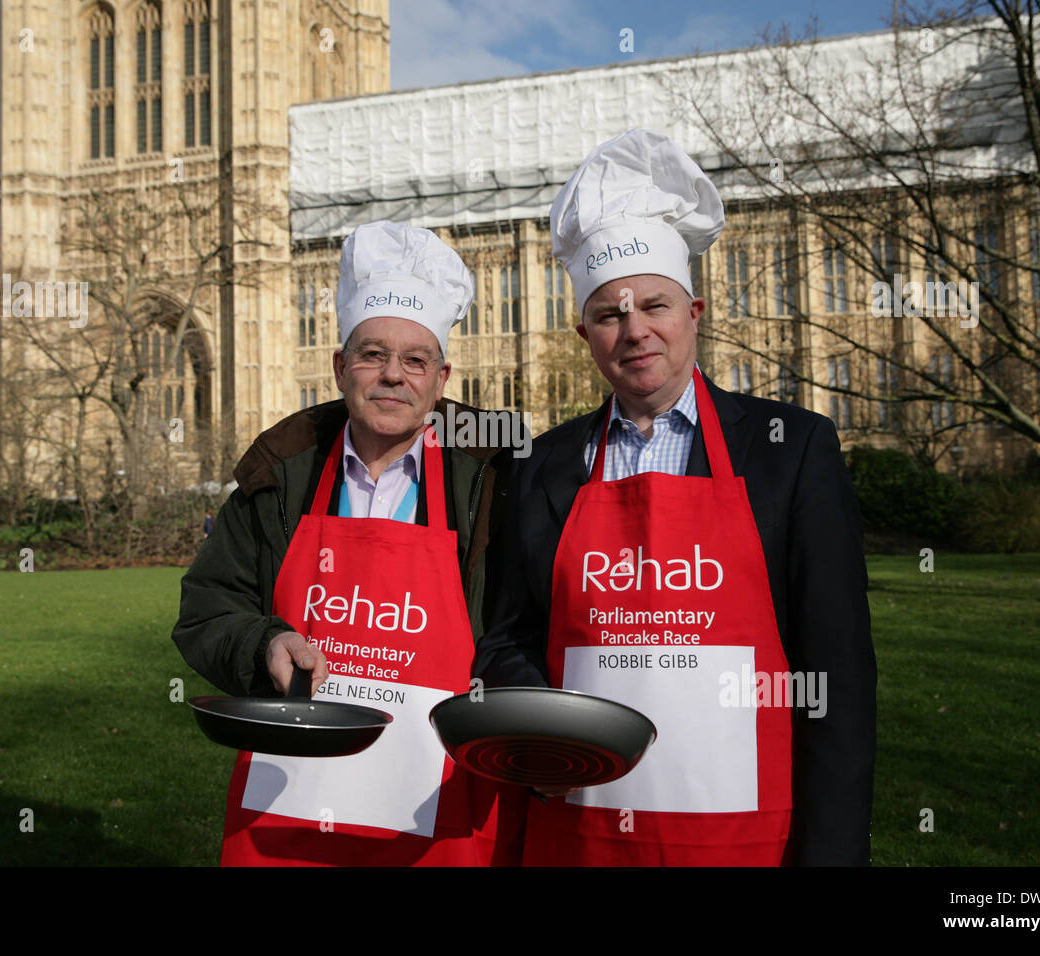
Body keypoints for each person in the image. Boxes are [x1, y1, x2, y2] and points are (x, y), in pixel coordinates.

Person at [473, 129, 876, 866]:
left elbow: (837, 678)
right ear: (584, 333)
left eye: (653, 306)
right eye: (609, 314)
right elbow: (507, 637)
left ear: (694, 312)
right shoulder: (544, 465)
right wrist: (543, 728)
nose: (635, 332)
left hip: (747, 835)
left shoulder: (791, 450)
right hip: (585, 829)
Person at [173, 220, 526, 866]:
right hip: (291, 810)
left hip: (436, 812)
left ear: (441, 379)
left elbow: (527, 630)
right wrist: (265, 643)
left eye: (415, 360)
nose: (393, 375)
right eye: (372, 354)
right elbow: (206, 607)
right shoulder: (282, 475)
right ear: (339, 367)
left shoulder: (495, 485)